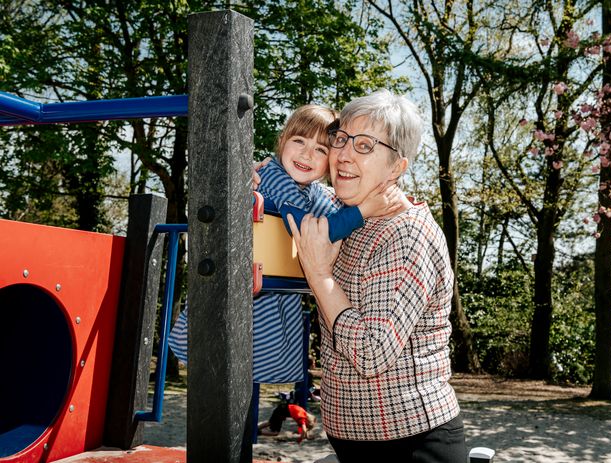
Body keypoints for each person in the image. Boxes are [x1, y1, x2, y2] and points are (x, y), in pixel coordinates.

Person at [285, 90, 466, 462]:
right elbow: (292, 184)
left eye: (365, 146)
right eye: (341, 140)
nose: (344, 154)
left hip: (410, 444)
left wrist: (321, 278)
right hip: (356, 442)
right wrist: (257, 177)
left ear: (397, 167)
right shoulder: (348, 216)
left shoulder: (406, 232)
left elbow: (371, 353)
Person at [169, 104, 398, 385]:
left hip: (270, 293)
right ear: (282, 142)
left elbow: (333, 211)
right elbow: (314, 229)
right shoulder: (275, 178)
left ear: (331, 162)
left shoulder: (314, 191)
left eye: (321, 150)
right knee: (224, 372)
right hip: (242, 294)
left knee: (239, 381)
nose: (306, 154)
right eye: (299, 141)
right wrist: (364, 211)